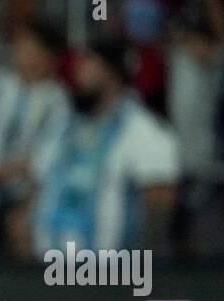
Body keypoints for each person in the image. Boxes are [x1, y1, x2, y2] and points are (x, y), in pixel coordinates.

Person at [31, 40, 179, 256]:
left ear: (111, 73)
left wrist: (144, 266)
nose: (77, 74)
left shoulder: (143, 129)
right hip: (45, 271)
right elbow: (38, 184)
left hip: (111, 274)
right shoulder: (61, 125)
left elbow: (159, 203)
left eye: (87, 65)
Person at [0, 20, 70, 259]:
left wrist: (0, 171)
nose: (21, 53)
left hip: (24, 197)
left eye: (30, 48)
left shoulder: (57, 99)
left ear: (48, 56)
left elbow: (46, 155)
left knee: (17, 259)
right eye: (20, 46)